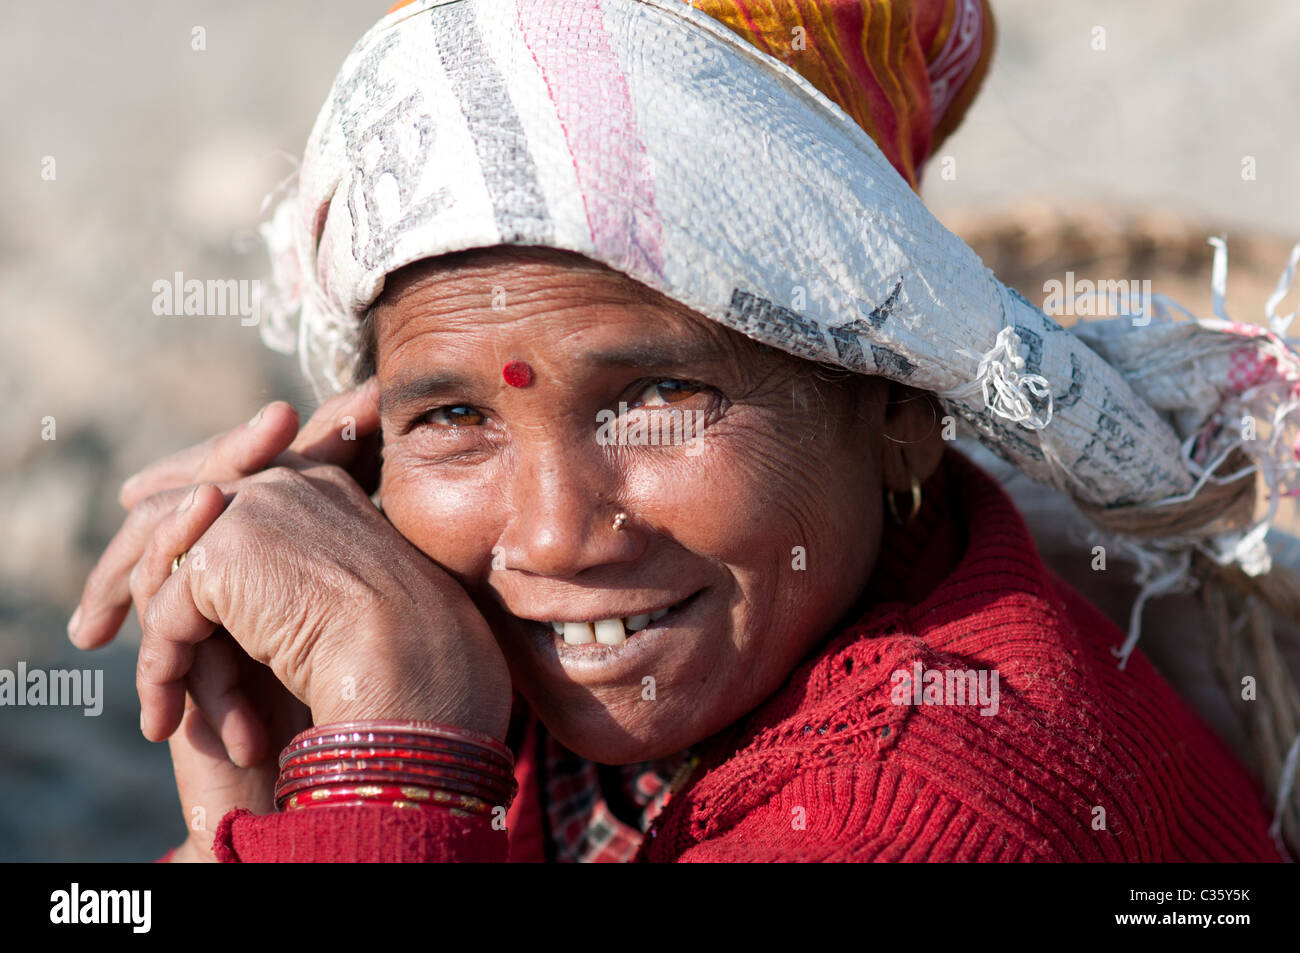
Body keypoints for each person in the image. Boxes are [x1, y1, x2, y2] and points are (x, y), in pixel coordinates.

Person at [70, 0, 1298, 862]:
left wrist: (392, 755)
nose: (554, 533)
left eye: (658, 398)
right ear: (360, 438)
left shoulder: (937, 797)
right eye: (451, 416)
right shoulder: (500, 665)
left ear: (898, 410)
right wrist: (267, 783)